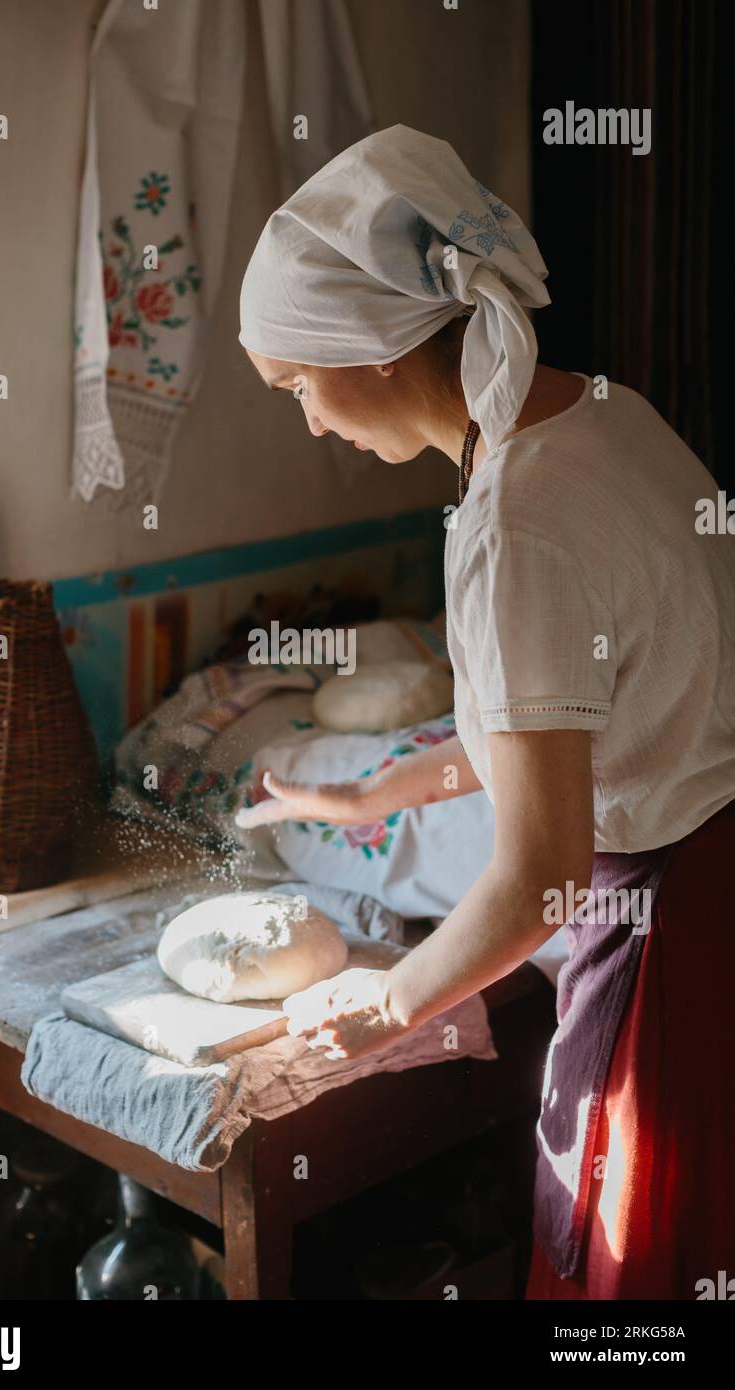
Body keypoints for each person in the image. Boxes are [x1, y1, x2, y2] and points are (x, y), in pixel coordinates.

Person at [236, 125, 735, 1299]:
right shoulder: (608, 418)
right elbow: (573, 721)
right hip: (715, 902)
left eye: (296, 385)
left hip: (660, 953)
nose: (308, 419)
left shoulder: (516, 520)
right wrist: (373, 791)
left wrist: (389, 1002)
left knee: (629, 1266)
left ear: (363, 346)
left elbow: (539, 868)